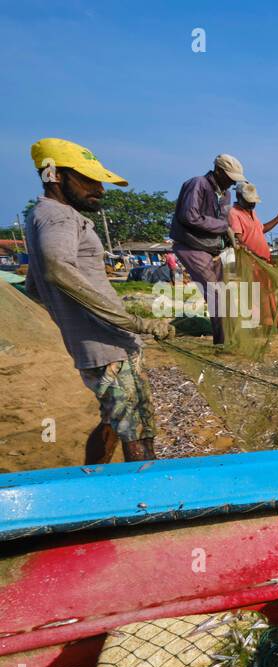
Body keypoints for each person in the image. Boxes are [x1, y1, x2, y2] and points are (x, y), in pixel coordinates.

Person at [23, 138, 174, 464]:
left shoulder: (41, 216)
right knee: (136, 432)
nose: (100, 189)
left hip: (101, 343)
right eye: (88, 179)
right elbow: (56, 270)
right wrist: (132, 322)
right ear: (54, 175)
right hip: (109, 346)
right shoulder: (59, 217)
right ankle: (147, 499)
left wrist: (73, 320)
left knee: (113, 422)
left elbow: (34, 287)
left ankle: (93, 479)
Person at [171, 154, 244, 345]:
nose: (231, 183)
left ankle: (224, 340)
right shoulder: (198, 184)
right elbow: (189, 216)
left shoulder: (226, 194)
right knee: (216, 294)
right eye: (229, 178)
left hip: (213, 248)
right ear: (218, 171)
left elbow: (225, 219)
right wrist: (222, 227)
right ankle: (224, 343)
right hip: (191, 246)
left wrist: (231, 235)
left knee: (224, 294)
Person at [228, 182, 278, 327]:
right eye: (249, 201)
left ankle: (272, 323)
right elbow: (238, 238)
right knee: (258, 295)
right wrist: (247, 251)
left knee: (267, 293)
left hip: (263, 262)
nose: (253, 205)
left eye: (254, 202)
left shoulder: (252, 212)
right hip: (251, 262)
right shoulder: (234, 213)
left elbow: (261, 229)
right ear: (238, 196)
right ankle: (263, 325)